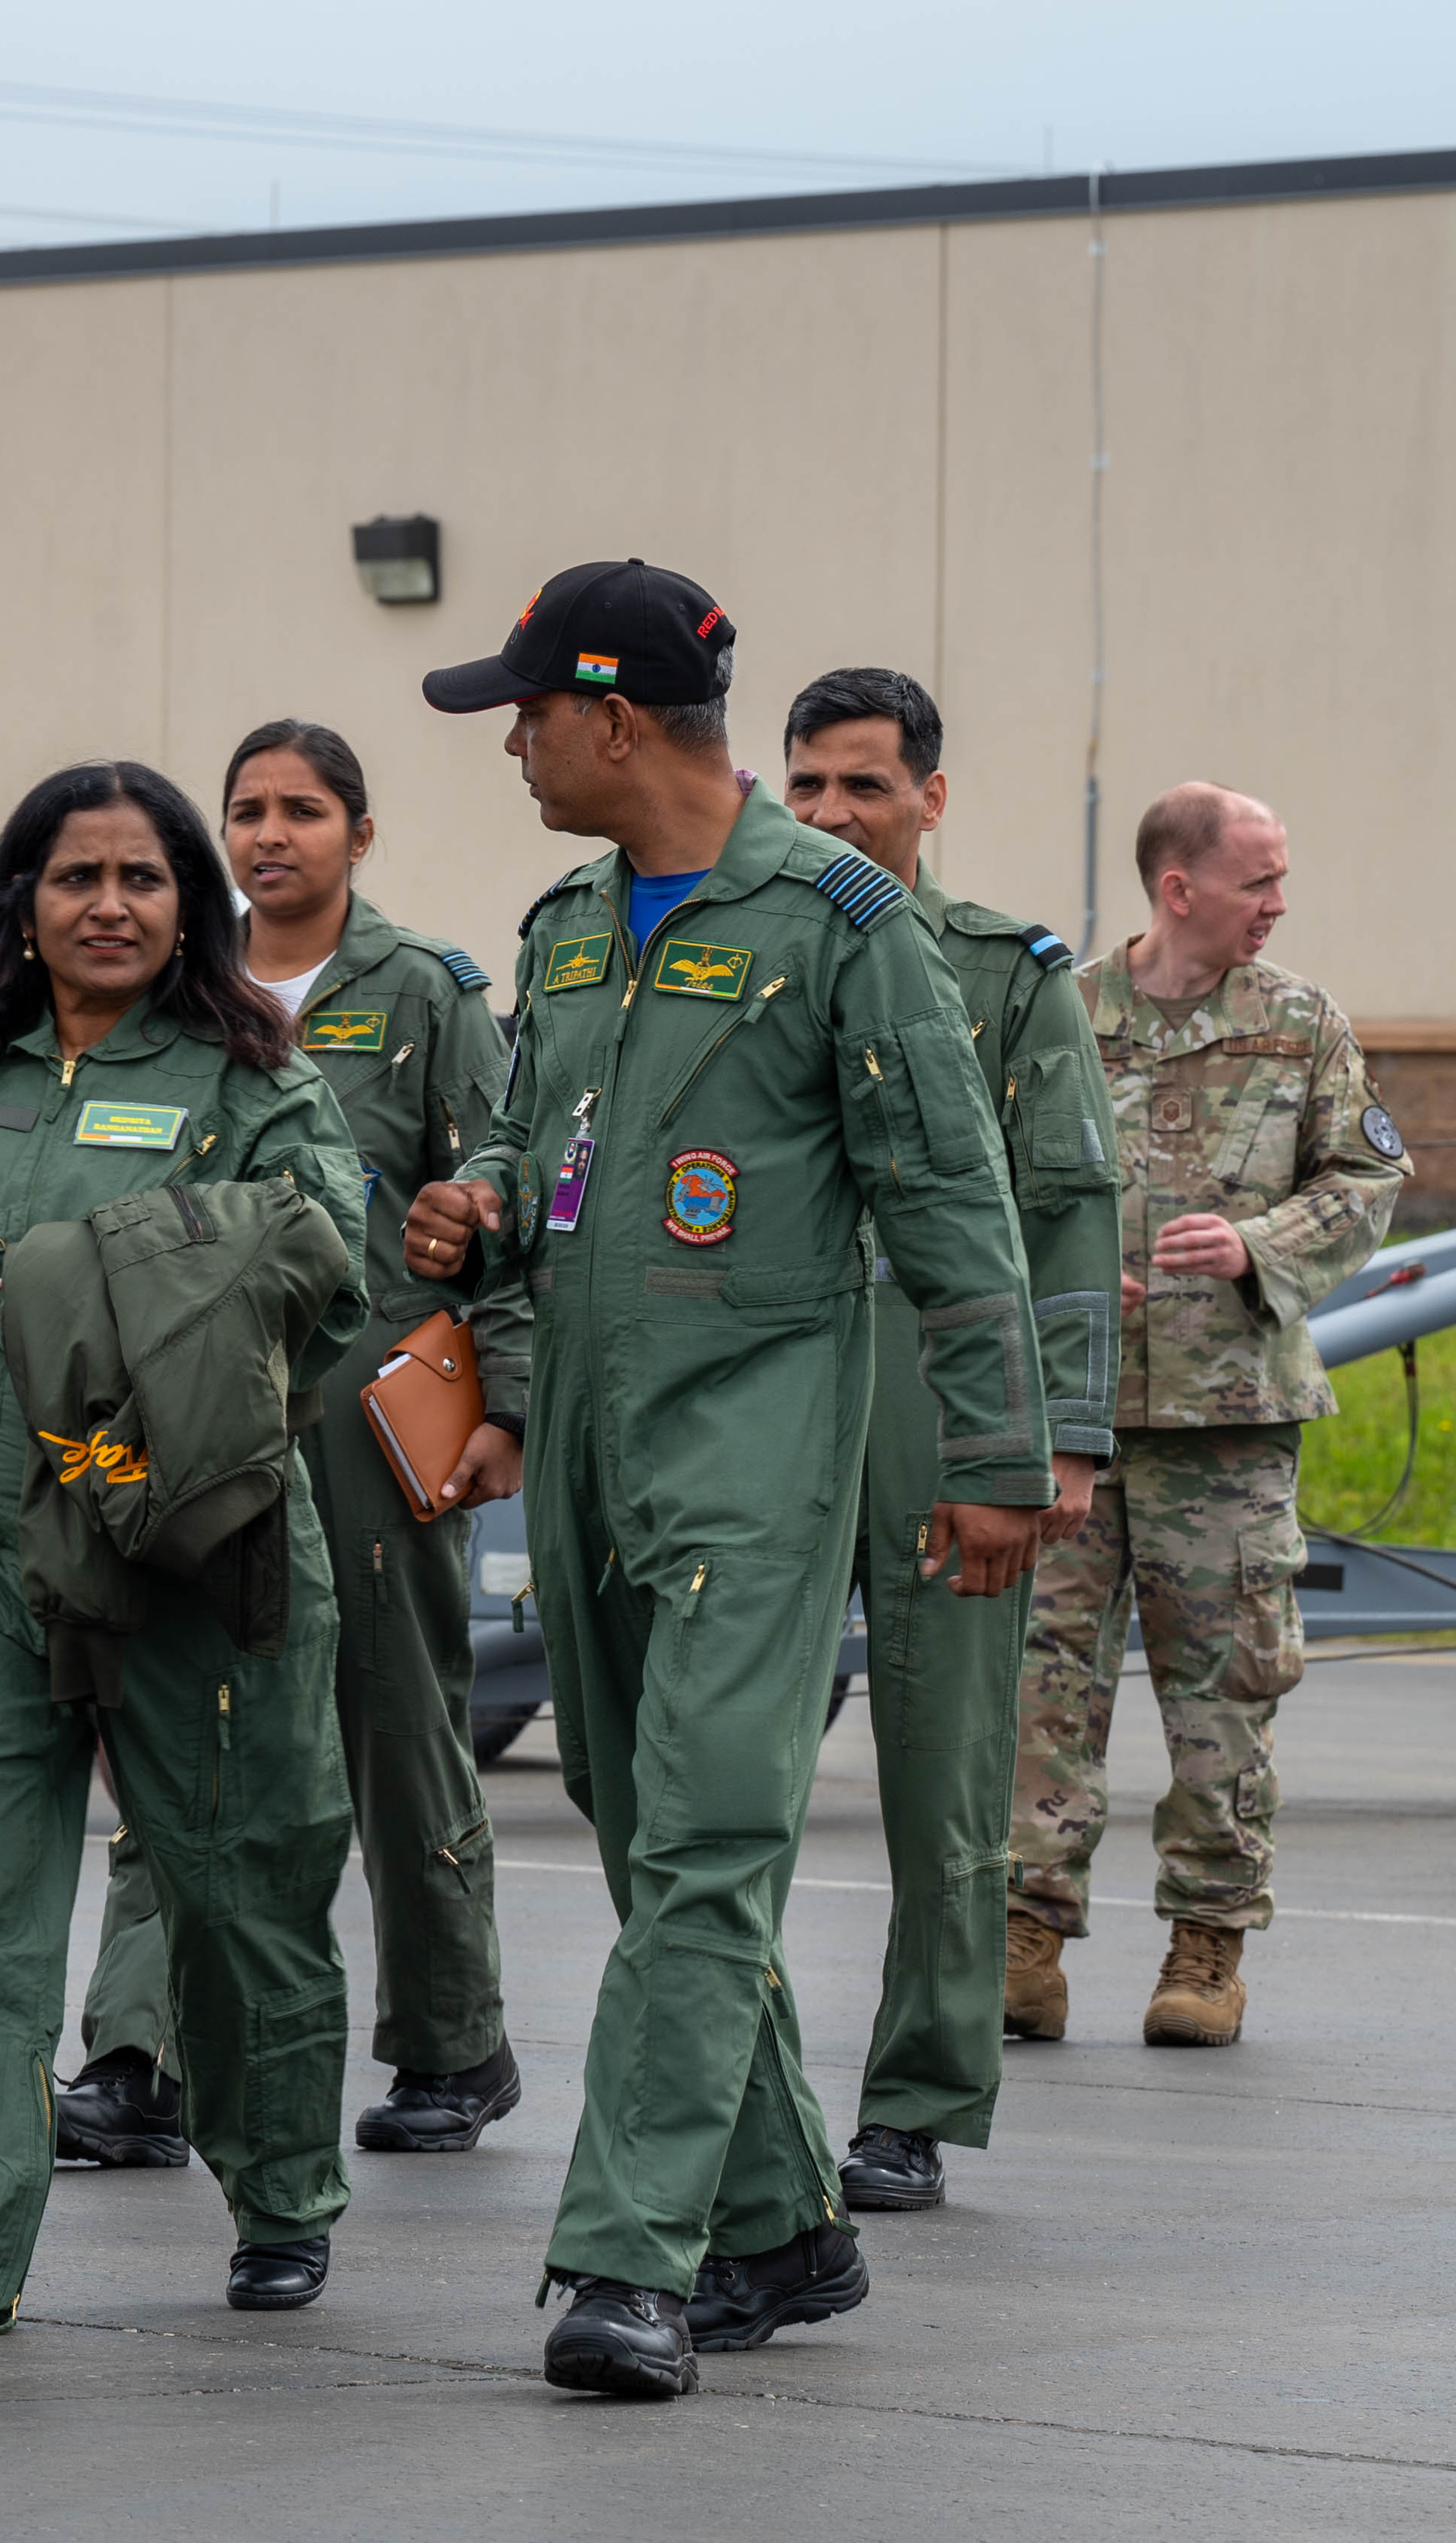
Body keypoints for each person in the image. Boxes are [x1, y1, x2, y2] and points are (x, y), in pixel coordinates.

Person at [402, 560, 1051, 2396]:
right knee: (633, 1822)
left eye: (526, 714)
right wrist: (480, 1202)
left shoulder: (842, 925)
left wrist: (999, 1456)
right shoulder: (564, 925)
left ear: (613, 719)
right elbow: (538, 1136)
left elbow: (954, 1203)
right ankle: (783, 2226)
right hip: (589, 1443)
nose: (511, 747)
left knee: (701, 1844)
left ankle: (633, 2261)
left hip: (752, 1453)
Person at [0, 759, 371, 2333]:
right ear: (22, 903)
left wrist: (142, 1294)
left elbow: (332, 1285)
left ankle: (282, 2194)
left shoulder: (252, 1077)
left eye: (142, 878)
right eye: (76, 877)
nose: (109, 906)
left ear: (189, 904)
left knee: (240, 1880)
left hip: (184, 1511)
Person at [54, 721, 530, 2172]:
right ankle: (140, 2055)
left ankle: (454, 2040)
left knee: (398, 1725)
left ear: (359, 835)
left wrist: (506, 1400)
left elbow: (498, 1200)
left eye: (305, 809)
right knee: (182, 1728)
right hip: (199, 1427)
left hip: (371, 1420)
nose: (271, 834)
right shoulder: (177, 995)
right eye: (249, 809)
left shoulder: (427, 993)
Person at [779, 670, 1121, 2212]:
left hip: (942, 1399)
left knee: (946, 1769)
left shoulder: (1003, 973)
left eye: (864, 785)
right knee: (720, 1769)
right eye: (807, 786)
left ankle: (916, 2098)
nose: (832, 815)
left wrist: (1059, 1440)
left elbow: (1068, 1206)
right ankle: (731, 2088)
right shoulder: (747, 949)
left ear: (930, 797)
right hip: (775, 1396)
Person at [1006, 783, 1406, 2049]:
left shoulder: (1301, 1024)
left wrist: (1256, 1245)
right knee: (1040, 1682)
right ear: (1179, 888)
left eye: (1280, 877)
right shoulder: (1059, 1014)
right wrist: (1059, 1270)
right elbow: (987, 1181)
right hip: (1072, 1409)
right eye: (1258, 879)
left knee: (1225, 1690)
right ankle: (1024, 1933)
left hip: (1228, 1421)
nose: (1279, 901)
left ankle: (1207, 1944)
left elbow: (1369, 1174)